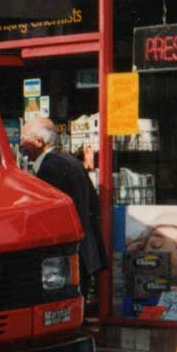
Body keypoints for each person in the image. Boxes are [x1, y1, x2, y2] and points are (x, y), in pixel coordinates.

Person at [20, 115, 106, 283]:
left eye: (24, 139)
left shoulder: (48, 168)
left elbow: (47, 218)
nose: (21, 144)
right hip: (86, 253)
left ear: (39, 141)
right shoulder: (72, 161)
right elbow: (94, 203)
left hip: (65, 257)